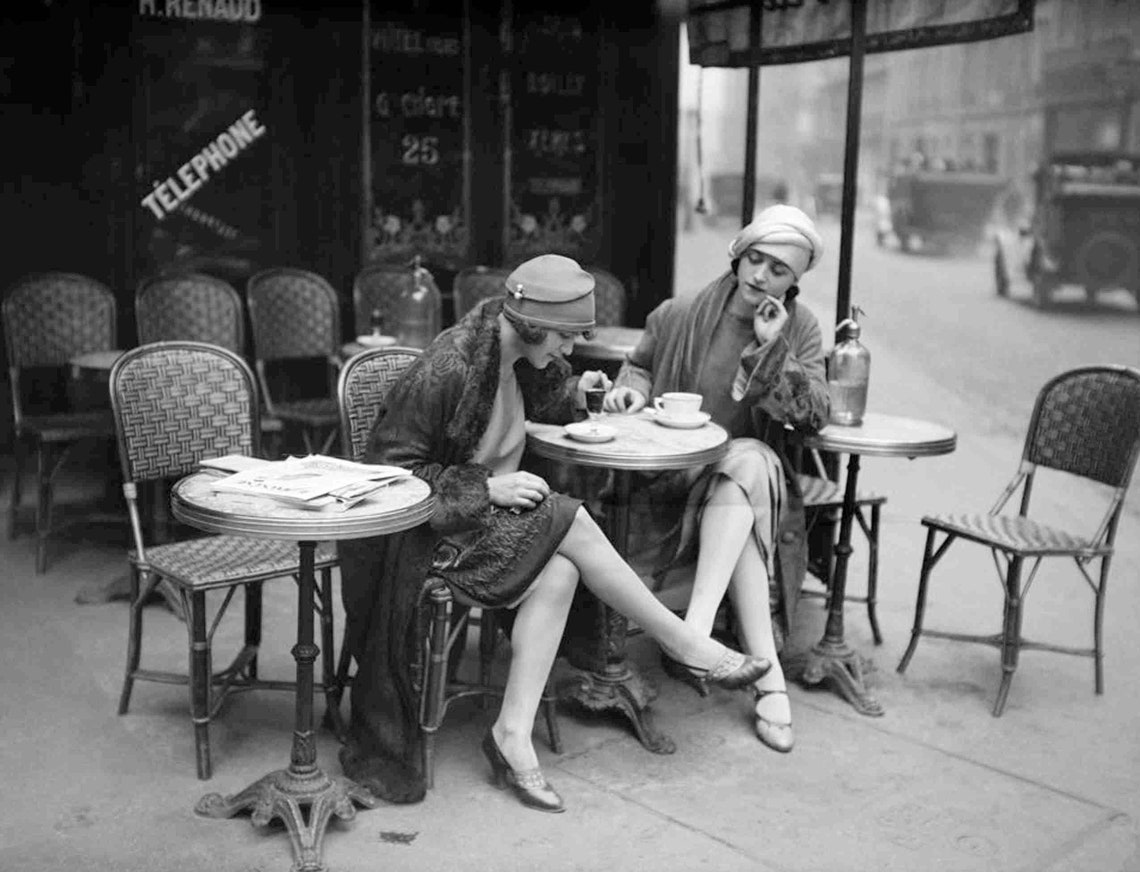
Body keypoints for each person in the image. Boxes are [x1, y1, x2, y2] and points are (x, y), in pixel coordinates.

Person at [337, 254, 770, 814]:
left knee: (563, 567)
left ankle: (511, 735)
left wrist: (581, 390)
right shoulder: (448, 366)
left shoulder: (513, 347)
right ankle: (684, 641)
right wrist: (485, 490)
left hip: (481, 522)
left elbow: (547, 396)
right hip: (426, 535)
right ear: (532, 321)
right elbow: (390, 476)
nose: (569, 350)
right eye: (565, 338)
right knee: (570, 516)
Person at [602, 204, 830, 754]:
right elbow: (639, 366)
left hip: (747, 479)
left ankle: (695, 631)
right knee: (742, 501)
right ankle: (768, 680)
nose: (761, 276)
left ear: (793, 282)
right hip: (673, 482)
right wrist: (629, 388)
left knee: (747, 460)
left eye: (778, 270)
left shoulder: (800, 328)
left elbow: (816, 415)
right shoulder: (681, 313)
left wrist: (774, 348)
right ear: (738, 254)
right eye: (755, 260)